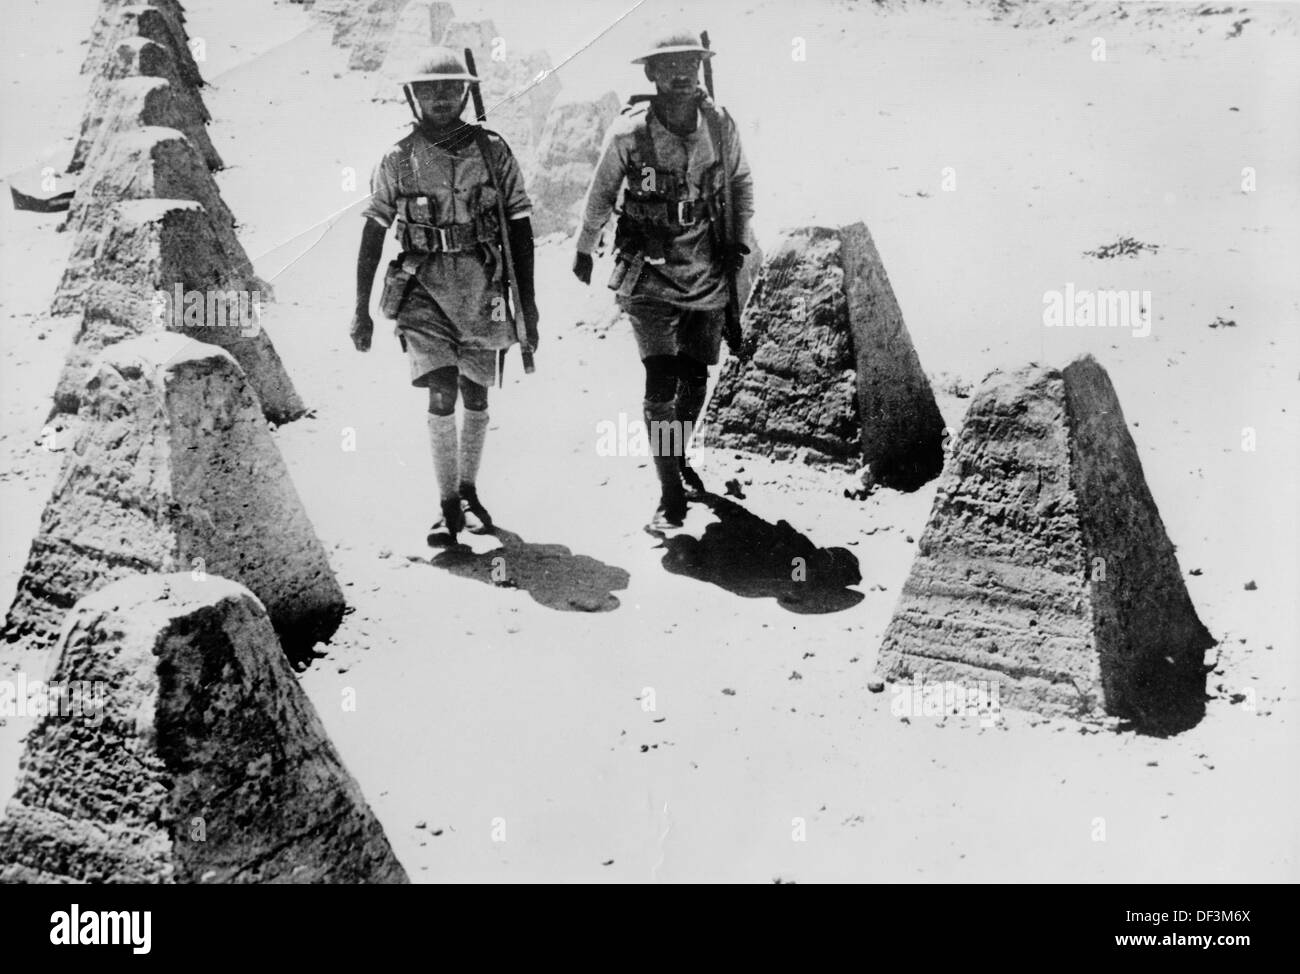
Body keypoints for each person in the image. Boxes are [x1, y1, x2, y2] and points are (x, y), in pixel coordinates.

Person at [351, 48, 539, 547]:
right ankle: (447, 506)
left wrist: (530, 307)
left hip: (484, 289)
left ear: (465, 93)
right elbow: (372, 232)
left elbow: (520, 227)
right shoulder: (397, 159)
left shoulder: (494, 154)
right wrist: (360, 311)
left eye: (451, 90)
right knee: (442, 392)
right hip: (422, 291)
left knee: (476, 393)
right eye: (430, 90)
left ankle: (470, 491)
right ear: (413, 96)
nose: (441, 99)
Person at [573, 32, 754, 534]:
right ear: (651, 75)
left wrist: (737, 241)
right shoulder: (629, 134)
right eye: (670, 65)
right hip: (648, 272)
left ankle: (675, 456)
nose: (681, 74)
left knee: (696, 377)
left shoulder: (720, 126)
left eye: (690, 64)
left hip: (707, 269)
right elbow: (601, 193)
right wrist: (584, 248)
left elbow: (740, 182)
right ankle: (670, 493)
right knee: (661, 380)